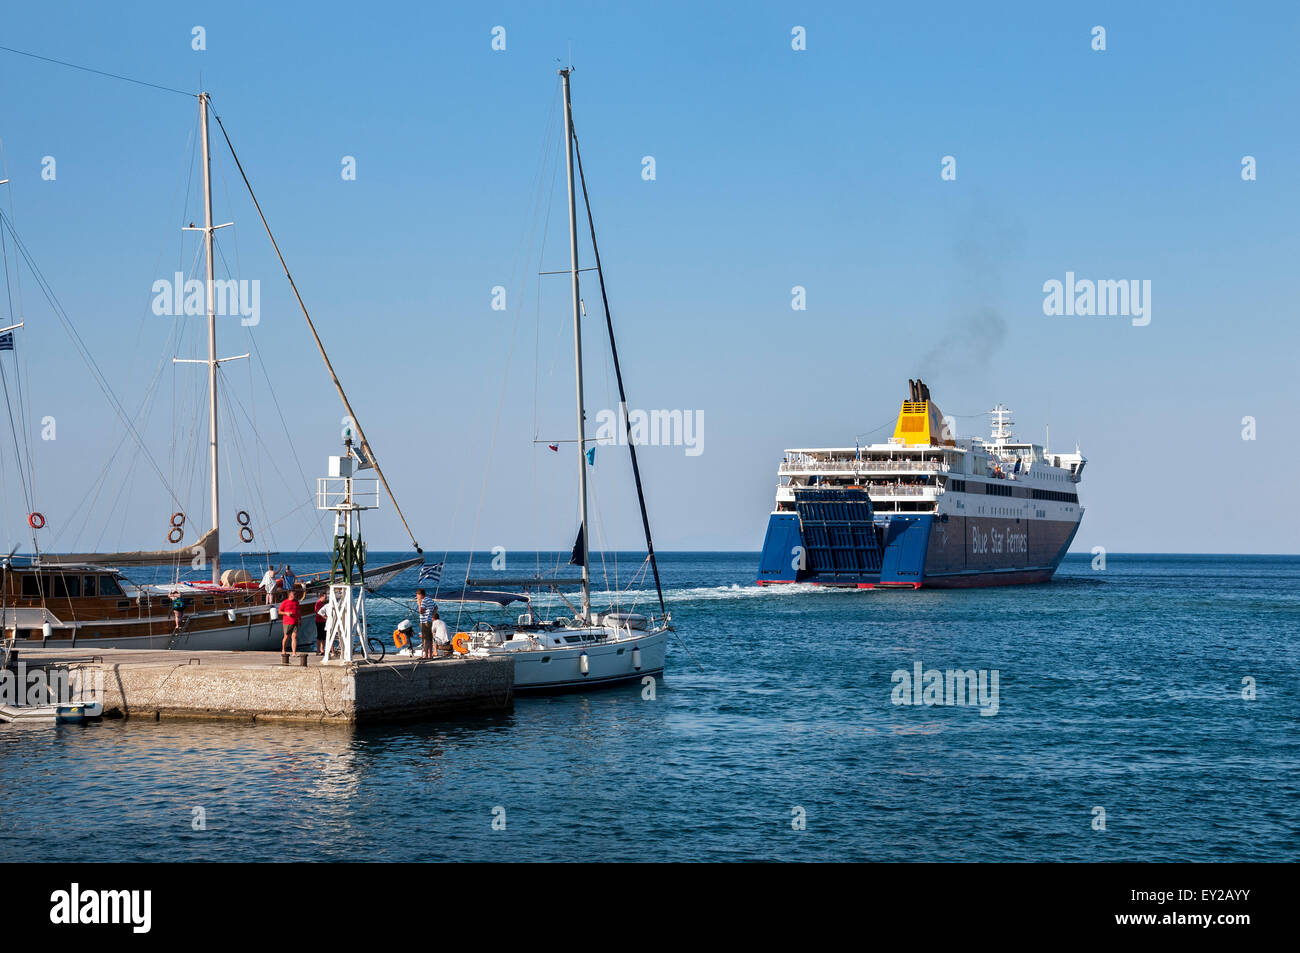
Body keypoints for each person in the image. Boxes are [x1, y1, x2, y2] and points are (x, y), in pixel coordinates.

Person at [280, 585, 304, 660]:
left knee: (294, 637)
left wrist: (300, 619)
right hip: (287, 622)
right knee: (286, 636)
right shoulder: (285, 602)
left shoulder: (296, 602)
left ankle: (294, 652)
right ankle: (283, 650)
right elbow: (279, 611)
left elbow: (299, 611)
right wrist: (286, 613)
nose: (295, 596)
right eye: (294, 594)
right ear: (290, 595)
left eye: (295, 594)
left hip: (295, 621)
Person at [416, 588, 436, 659]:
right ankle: (430, 655)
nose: (417, 597)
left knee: (425, 639)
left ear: (421, 595)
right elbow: (436, 607)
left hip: (424, 622)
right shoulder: (430, 599)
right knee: (430, 639)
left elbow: (421, 611)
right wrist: (431, 615)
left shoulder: (423, 601)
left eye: (417, 595)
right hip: (430, 621)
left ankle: (425, 655)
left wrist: (419, 604)